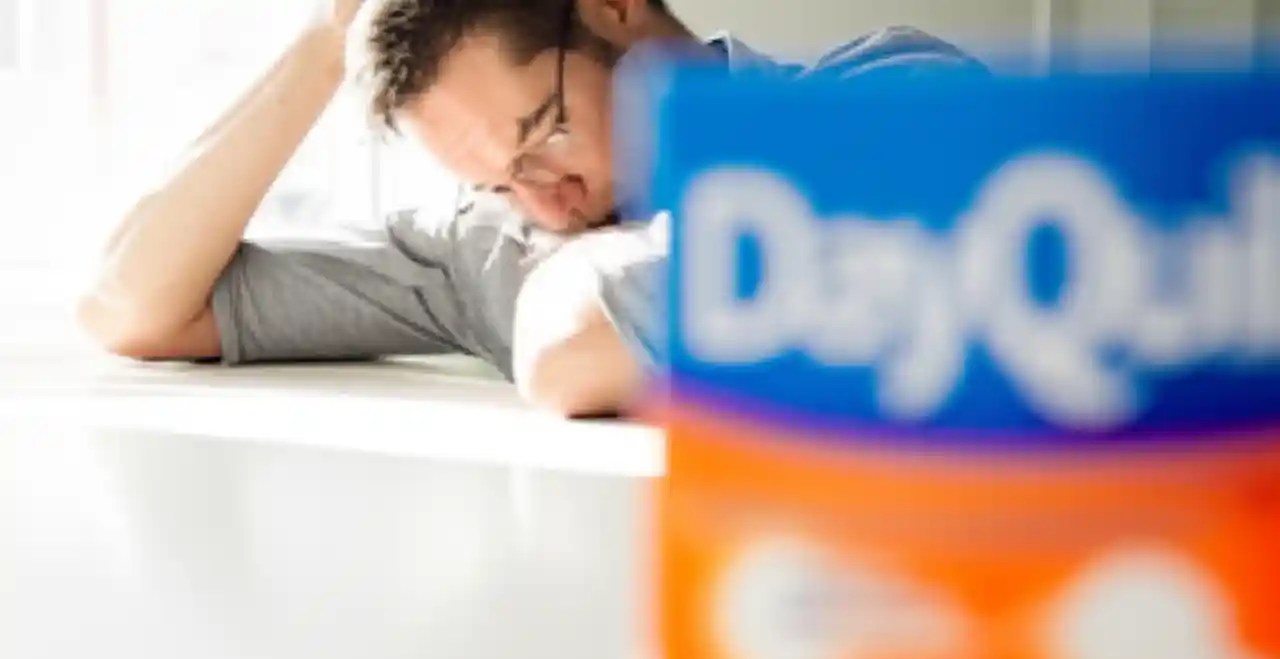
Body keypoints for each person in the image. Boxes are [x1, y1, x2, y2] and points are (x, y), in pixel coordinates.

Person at [77, 0, 981, 416]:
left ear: (613, 10)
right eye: (497, 181)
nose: (547, 206)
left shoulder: (886, 92)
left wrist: (564, 285)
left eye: (545, 133)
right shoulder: (481, 246)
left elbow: (577, 350)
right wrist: (324, 44)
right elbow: (137, 308)